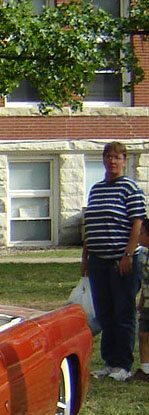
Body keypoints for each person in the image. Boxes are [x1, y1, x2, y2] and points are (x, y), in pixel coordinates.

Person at [81, 141, 145, 381]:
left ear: (124, 160)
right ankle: (109, 362)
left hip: (122, 260)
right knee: (105, 312)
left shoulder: (130, 188)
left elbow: (137, 222)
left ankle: (123, 365)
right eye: (108, 157)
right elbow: (89, 225)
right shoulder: (96, 189)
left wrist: (128, 254)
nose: (112, 161)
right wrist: (85, 257)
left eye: (117, 157)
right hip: (98, 261)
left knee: (123, 312)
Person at [130, 218, 149, 381]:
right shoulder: (142, 256)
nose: (139, 236)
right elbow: (144, 281)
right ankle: (145, 370)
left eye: (141, 233)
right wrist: (141, 300)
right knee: (143, 334)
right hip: (147, 303)